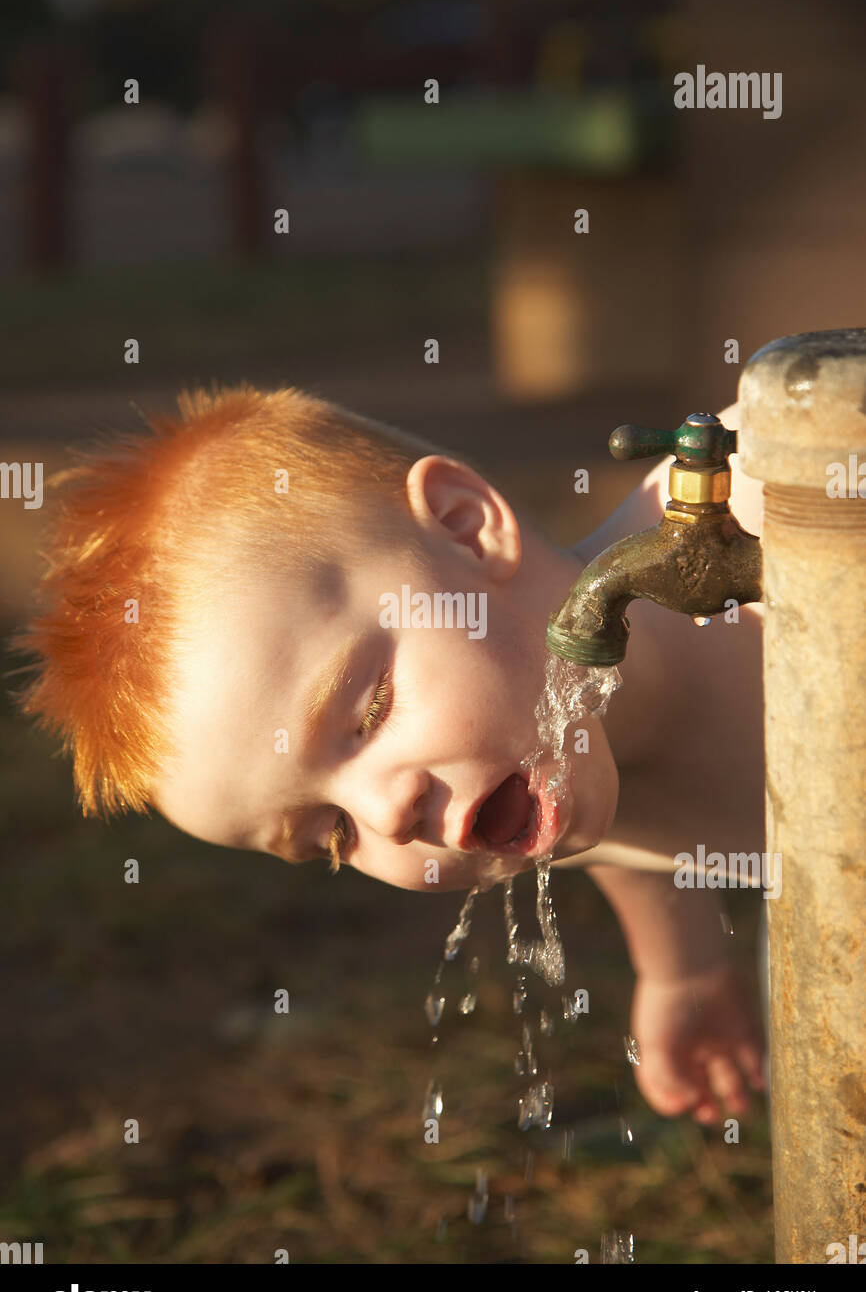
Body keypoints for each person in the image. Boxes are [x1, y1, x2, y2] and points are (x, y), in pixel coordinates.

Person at [11, 385, 766, 1124]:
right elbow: (628, 851)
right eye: (334, 835)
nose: (387, 814)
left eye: (370, 710)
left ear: (466, 529)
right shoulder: (521, 775)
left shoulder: (776, 504)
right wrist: (683, 969)